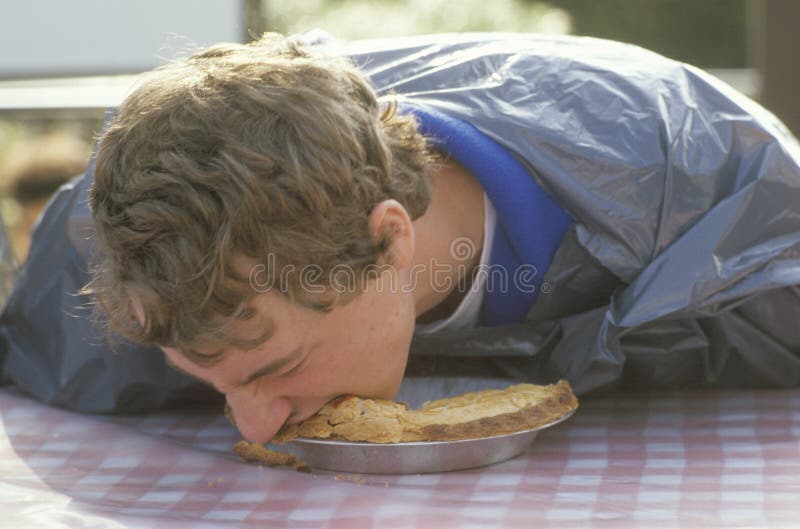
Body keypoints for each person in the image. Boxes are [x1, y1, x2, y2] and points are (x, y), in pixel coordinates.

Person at [4, 32, 800, 444]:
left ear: (387, 242)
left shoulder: (700, 179)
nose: (250, 426)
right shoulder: (125, 244)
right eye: (214, 381)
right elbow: (41, 347)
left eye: (278, 366)